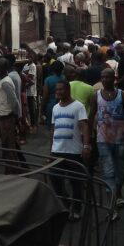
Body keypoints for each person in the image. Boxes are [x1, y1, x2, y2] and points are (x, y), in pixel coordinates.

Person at [95, 69, 124, 207]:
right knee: (108, 169)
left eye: (107, 77)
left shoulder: (122, 95)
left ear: (114, 79)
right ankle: (111, 198)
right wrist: (87, 139)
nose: (104, 80)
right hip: (102, 140)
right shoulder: (96, 96)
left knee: (119, 169)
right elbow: (90, 117)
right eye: (102, 77)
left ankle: (118, 193)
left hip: (119, 140)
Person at [49, 80, 90, 218]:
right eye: (57, 90)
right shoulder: (55, 108)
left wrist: (86, 146)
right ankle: (66, 205)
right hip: (57, 150)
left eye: (61, 89)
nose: (58, 92)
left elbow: (84, 126)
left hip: (74, 151)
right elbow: (53, 129)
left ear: (68, 90)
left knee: (76, 182)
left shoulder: (78, 106)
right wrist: (51, 150)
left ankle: (77, 210)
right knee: (55, 179)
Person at [0, 58, 24, 167]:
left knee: (9, 146)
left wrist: (16, 118)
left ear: (4, 68)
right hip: (5, 118)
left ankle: (14, 169)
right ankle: (17, 167)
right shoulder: (3, 81)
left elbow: (14, 101)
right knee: (9, 145)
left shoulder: (5, 82)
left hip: (7, 118)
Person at [42, 60, 66, 127]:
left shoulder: (48, 80)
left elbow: (45, 96)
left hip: (51, 105)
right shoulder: (64, 78)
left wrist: (42, 110)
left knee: (51, 127)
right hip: (63, 105)